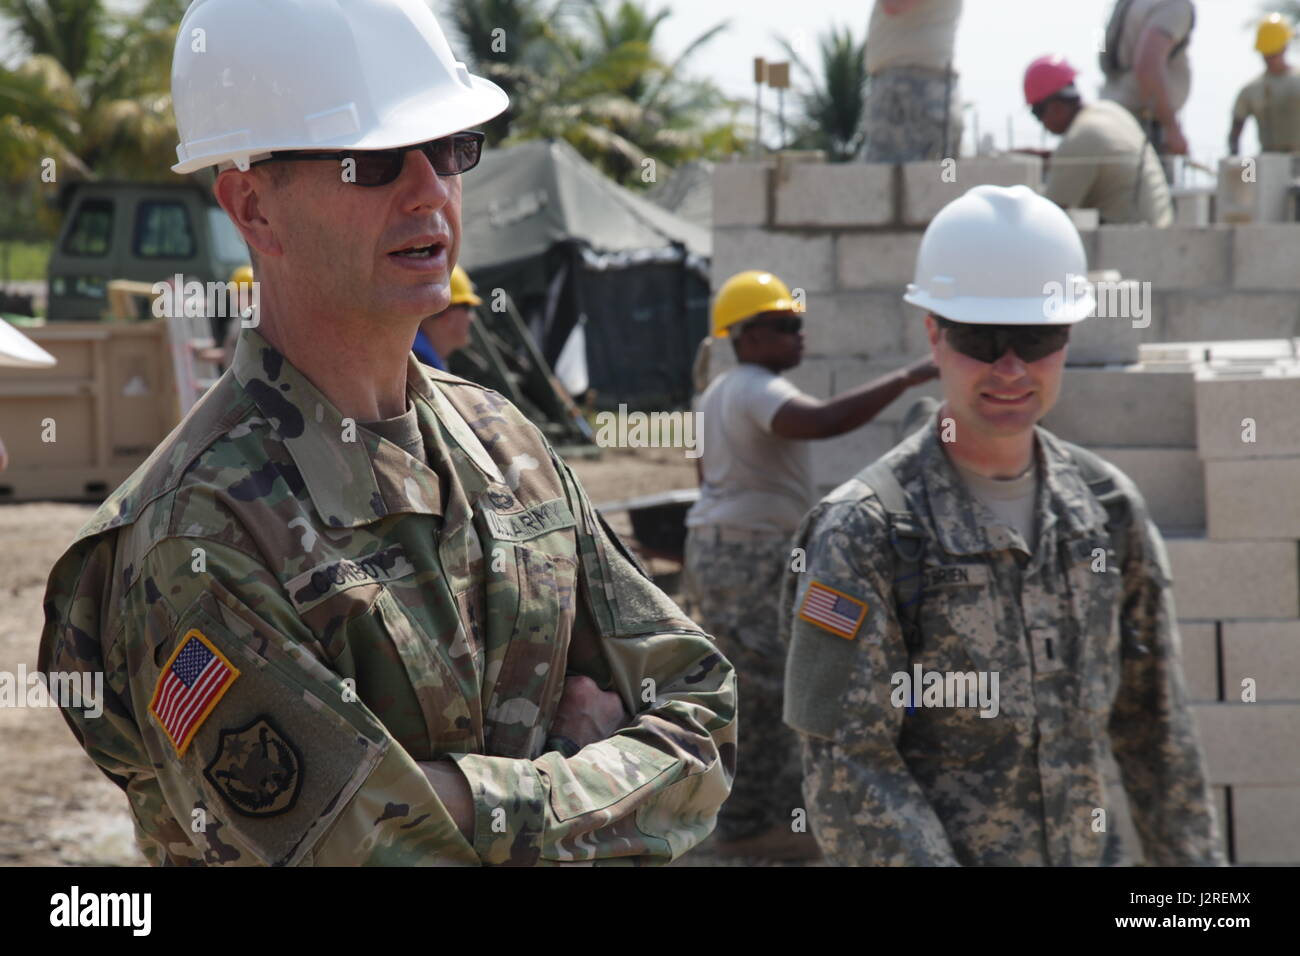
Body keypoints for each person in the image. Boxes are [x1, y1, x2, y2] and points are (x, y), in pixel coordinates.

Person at [38, 0, 735, 867]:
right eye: (371, 161)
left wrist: (456, 795)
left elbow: (703, 709)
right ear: (253, 206)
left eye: (449, 151)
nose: (428, 190)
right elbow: (358, 844)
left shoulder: (506, 444)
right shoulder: (197, 531)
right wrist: (588, 764)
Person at [780, 184, 1224, 866]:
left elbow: (1156, 731)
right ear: (933, 332)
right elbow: (846, 768)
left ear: (1068, 337)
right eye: (982, 339)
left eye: (1037, 338)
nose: (1012, 368)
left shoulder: (1108, 513)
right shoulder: (859, 534)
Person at [684, 270, 936, 857]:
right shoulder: (752, 385)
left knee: (750, 685)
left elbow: (701, 475)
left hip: (724, 548)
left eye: (797, 326)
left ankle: (747, 821)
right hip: (751, 554)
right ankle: (751, 830)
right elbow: (821, 422)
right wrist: (909, 377)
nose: (796, 336)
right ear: (743, 336)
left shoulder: (719, 389)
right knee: (770, 690)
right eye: (780, 327)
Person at [1025, 55, 1173, 226]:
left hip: (1129, 243)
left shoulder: (1078, 140)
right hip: (1161, 231)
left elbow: (1048, 220)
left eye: (1037, 114)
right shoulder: (1111, 111)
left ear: (1055, 107)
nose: (1041, 124)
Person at [863, 0, 964, 163]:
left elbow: (894, 4)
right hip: (914, 84)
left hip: (915, 87)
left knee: (923, 180)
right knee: (936, 180)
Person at [1099, 0, 1196, 158]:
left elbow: (1100, 48)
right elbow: (1148, 66)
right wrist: (1171, 127)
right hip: (1145, 125)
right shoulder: (1173, 5)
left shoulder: (1129, 4)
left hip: (1111, 116)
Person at [1229, 14, 1300, 155]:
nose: (1270, 59)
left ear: (1284, 47)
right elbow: (1235, 132)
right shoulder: (1251, 90)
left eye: (1274, 53)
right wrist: (1236, 163)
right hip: (1268, 161)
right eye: (1267, 54)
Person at [413, 264, 480, 370]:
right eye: (468, 308)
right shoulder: (413, 369)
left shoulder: (412, 361)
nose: (472, 317)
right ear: (447, 314)